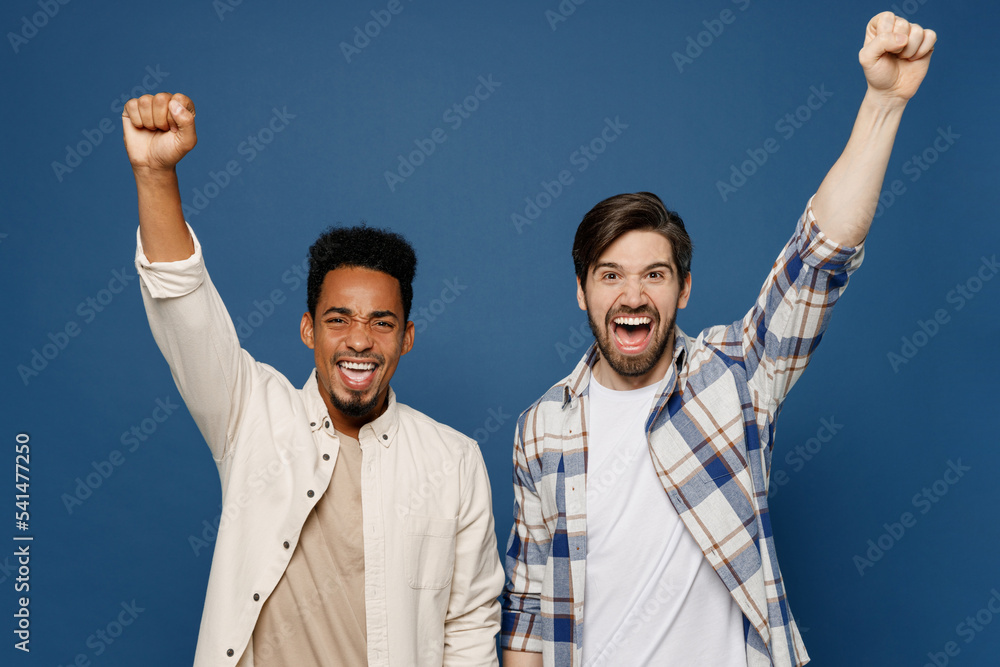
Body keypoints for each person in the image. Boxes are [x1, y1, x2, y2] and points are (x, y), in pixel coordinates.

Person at [501, 12, 936, 667]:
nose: (632, 294)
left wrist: (883, 102)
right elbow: (529, 613)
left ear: (684, 289)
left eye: (654, 273)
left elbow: (817, 258)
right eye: (610, 275)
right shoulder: (540, 428)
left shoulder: (734, 376)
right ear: (582, 291)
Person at [122, 93, 504, 666]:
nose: (358, 340)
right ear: (308, 330)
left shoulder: (454, 462)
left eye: (382, 322)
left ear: (407, 337)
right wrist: (155, 174)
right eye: (338, 319)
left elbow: (470, 625)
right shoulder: (250, 414)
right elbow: (185, 308)